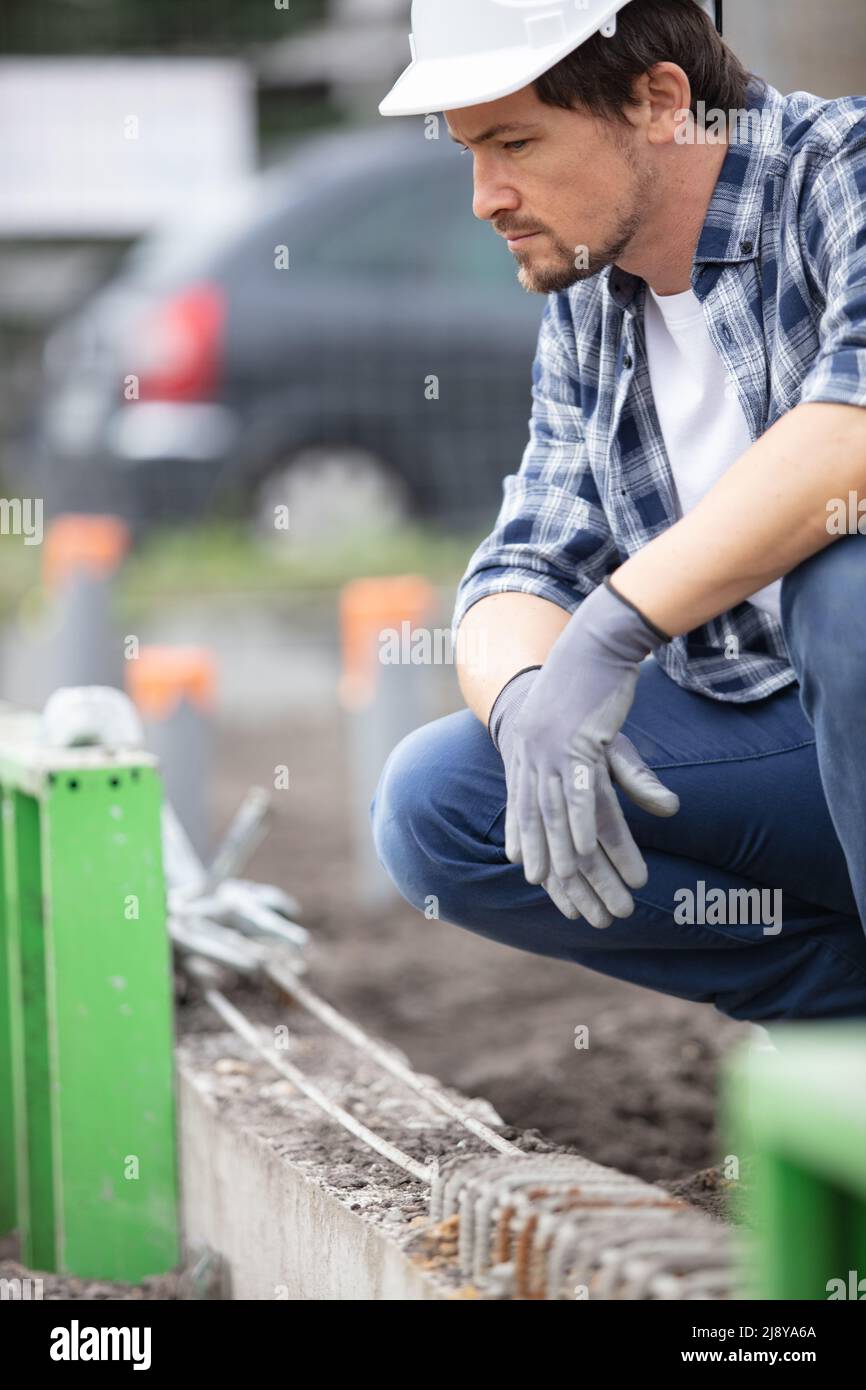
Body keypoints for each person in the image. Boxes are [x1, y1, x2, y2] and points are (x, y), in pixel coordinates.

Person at [371, 0, 866, 1022]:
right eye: (470, 152)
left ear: (658, 101)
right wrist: (523, 702)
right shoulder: (592, 296)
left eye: (513, 143)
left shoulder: (838, 173)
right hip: (796, 744)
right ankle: (840, 1030)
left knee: (842, 581)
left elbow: (851, 438)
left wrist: (612, 628)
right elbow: (525, 562)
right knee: (446, 800)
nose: (484, 197)